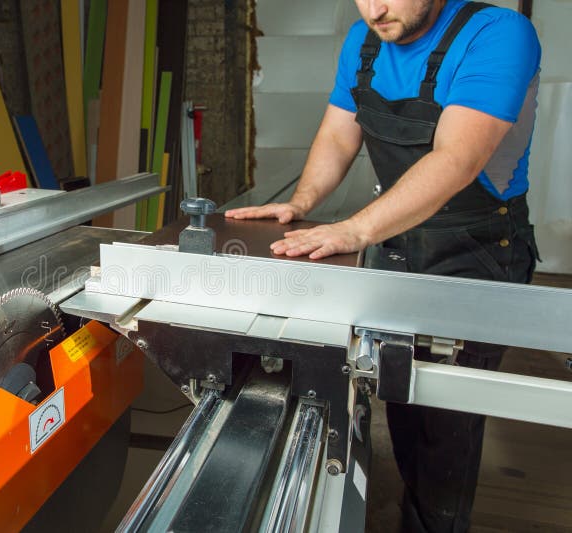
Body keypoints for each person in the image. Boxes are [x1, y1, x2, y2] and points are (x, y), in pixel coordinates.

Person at [225, 1, 540, 531]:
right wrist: (302, 203)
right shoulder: (363, 40)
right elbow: (337, 134)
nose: (376, 7)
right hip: (396, 242)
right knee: (399, 391)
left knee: (446, 423)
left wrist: (353, 230)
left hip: (474, 250)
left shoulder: (499, 34)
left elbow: (456, 160)